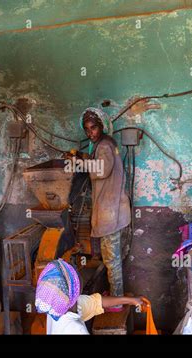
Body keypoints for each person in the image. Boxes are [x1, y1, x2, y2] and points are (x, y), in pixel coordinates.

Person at [76, 107, 131, 301]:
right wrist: (81, 158)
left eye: (93, 128)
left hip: (111, 212)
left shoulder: (105, 145)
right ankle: (117, 296)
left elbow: (101, 169)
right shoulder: (105, 144)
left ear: (102, 127)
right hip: (114, 209)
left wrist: (80, 163)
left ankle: (116, 300)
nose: (90, 132)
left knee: (111, 259)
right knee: (112, 258)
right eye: (87, 129)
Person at [35, 259, 143, 335]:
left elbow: (97, 302)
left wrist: (130, 300)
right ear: (76, 287)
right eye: (76, 274)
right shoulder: (76, 330)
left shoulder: (60, 307)